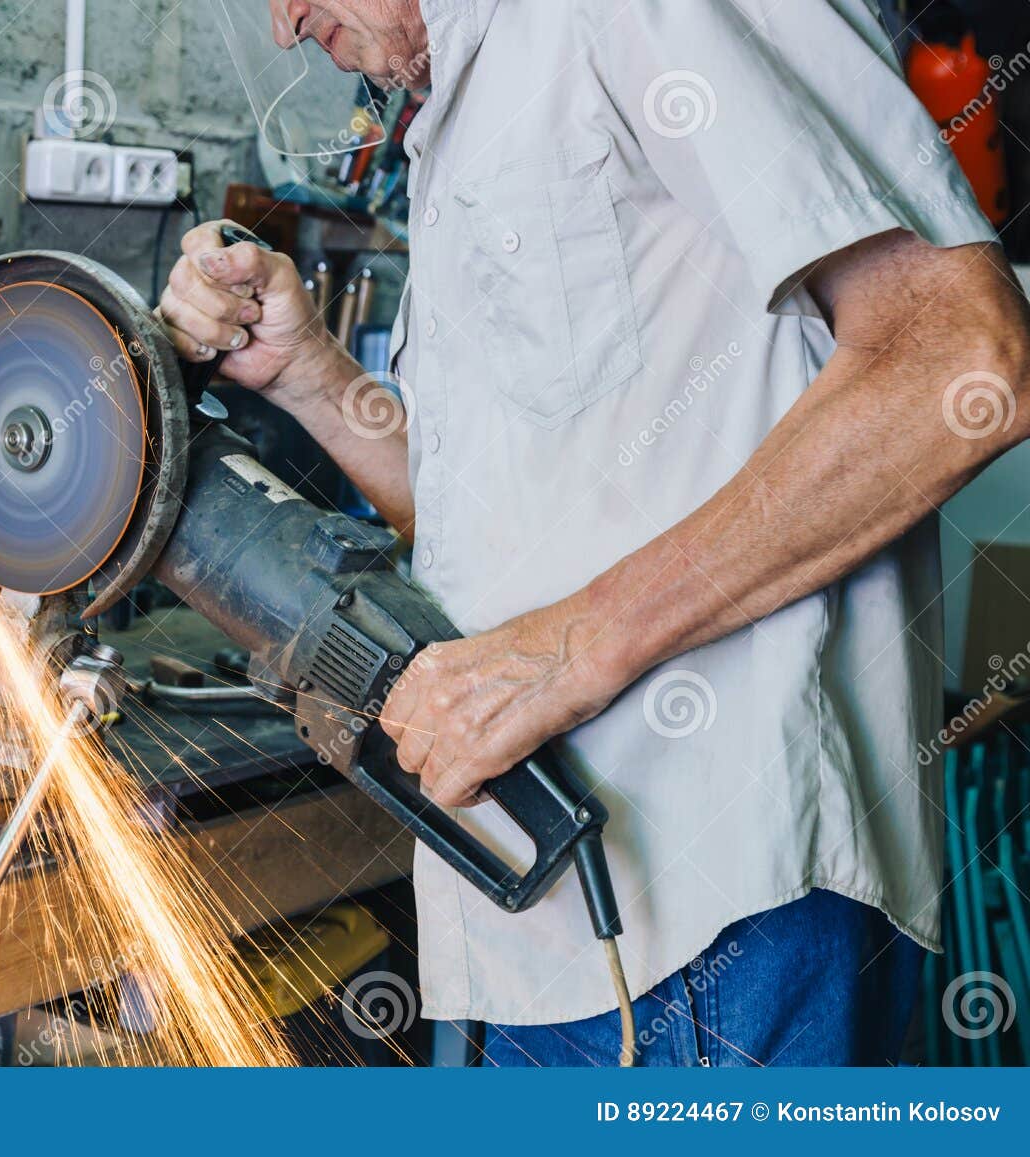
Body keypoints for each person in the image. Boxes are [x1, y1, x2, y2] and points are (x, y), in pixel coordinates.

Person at [159, 0, 1030, 1065]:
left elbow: (955, 361)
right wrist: (312, 378)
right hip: (527, 918)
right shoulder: (465, 106)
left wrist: (576, 644)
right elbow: (502, 528)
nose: (287, 25)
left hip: (719, 923)